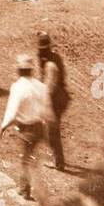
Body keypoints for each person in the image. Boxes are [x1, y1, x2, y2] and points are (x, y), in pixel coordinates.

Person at [0, 54, 50, 200]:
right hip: (39, 127)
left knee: (26, 160)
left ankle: (27, 191)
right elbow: (46, 109)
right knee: (31, 159)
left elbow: (12, 111)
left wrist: (3, 126)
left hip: (26, 129)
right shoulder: (41, 86)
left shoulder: (17, 87)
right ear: (31, 70)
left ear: (19, 70)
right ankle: (25, 188)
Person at [38, 33, 70, 171]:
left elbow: (50, 87)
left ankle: (58, 162)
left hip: (55, 99)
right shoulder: (55, 57)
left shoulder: (50, 65)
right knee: (51, 129)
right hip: (62, 97)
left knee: (52, 131)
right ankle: (57, 158)